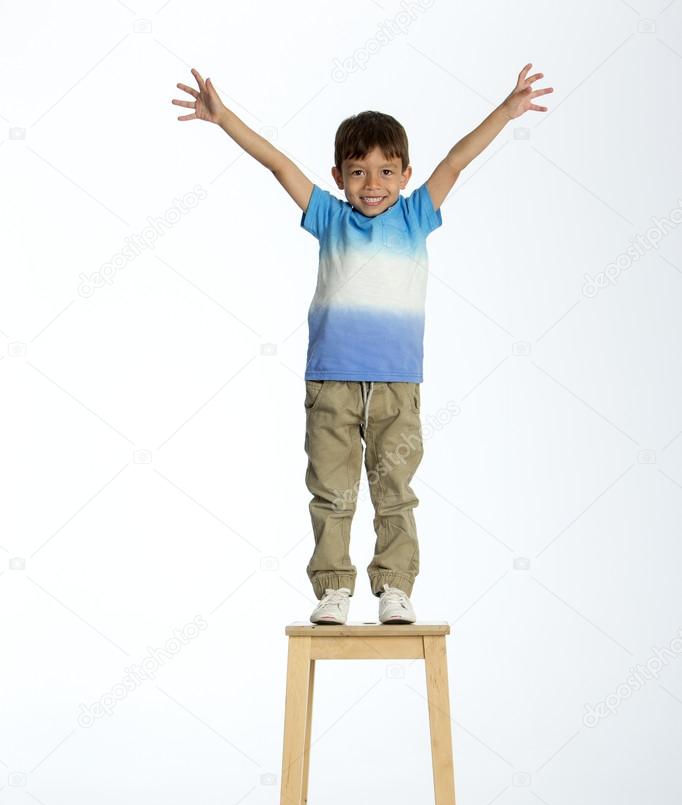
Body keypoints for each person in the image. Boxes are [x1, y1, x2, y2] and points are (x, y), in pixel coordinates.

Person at [172, 64, 553, 625]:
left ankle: (395, 586)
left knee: (394, 489)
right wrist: (224, 117)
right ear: (339, 175)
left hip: (398, 384)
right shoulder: (328, 216)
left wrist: (506, 110)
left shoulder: (417, 215)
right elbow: (278, 163)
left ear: (404, 175)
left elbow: (456, 160)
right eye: (358, 172)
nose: (371, 184)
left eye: (385, 172)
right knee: (331, 490)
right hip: (331, 383)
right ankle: (333, 587)